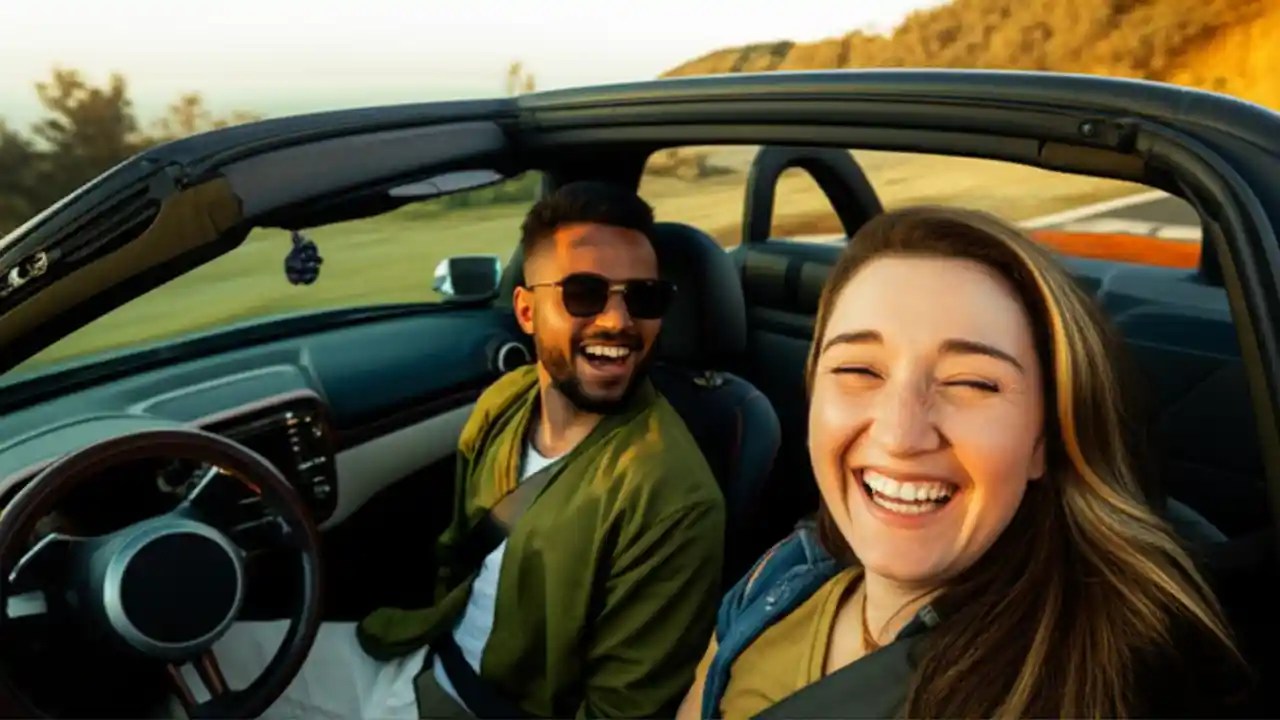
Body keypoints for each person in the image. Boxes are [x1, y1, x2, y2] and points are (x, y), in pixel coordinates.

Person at [675, 206, 1253, 719]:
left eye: (972, 382)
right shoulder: (786, 571)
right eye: (859, 371)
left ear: (1044, 440)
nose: (901, 434)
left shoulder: (1102, 677)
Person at [212, 181, 726, 719]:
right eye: (583, 293)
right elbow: (458, 553)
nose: (618, 321)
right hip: (418, 656)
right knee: (194, 671)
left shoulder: (672, 497)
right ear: (527, 312)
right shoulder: (504, 402)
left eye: (644, 297)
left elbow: (622, 713)